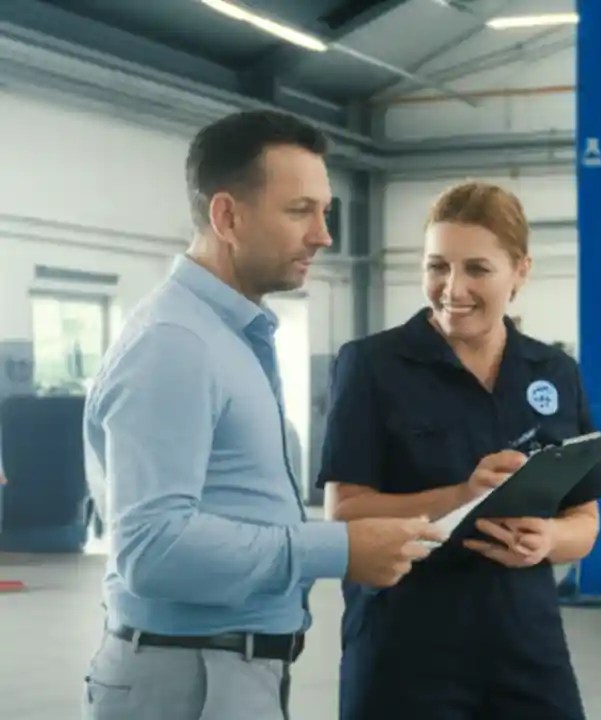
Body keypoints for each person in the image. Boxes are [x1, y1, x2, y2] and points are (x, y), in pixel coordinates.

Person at [80, 109, 442, 720]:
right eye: (300, 211)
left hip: (226, 670)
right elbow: (151, 549)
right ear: (227, 217)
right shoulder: (175, 343)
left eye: (324, 212)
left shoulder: (229, 334)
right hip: (190, 681)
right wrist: (336, 548)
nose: (323, 236)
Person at [319, 180, 601, 719]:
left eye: (477, 269)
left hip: (526, 644)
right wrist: (462, 494)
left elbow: (585, 523)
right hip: (404, 645)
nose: (453, 288)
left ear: (520, 271)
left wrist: (547, 539)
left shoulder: (554, 372)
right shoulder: (372, 366)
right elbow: (346, 510)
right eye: (437, 266)